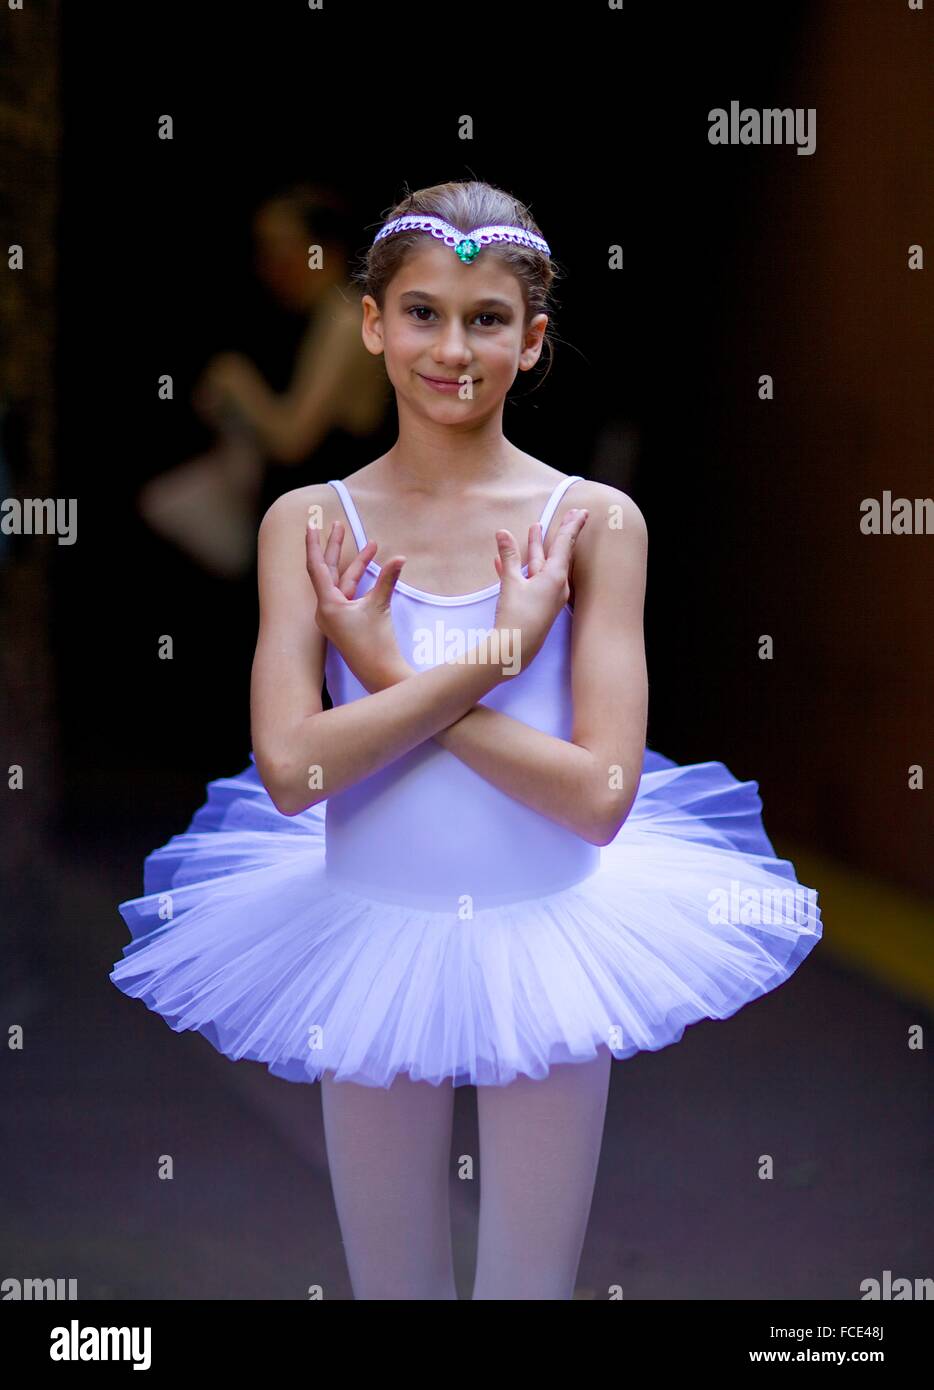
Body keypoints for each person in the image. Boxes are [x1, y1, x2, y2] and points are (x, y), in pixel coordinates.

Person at [110, 180, 822, 1300]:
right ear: (370, 325)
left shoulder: (591, 525)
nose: (452, 347)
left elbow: (596, 796)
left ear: (532, 340)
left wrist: (393, 671)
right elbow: (294, 771)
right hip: (365, 931)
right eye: (422, 313)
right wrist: (491, 654)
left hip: (550, 939)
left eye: (487, 318)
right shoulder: (308, 524)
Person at [137, 184, 392, 578]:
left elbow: (293, 439)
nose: (270, 265)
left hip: (337, 535)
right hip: (301, 527)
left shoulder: (344, 320)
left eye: (282, 248)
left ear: (323, 249)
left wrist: (240, 386)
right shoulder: (304, 320)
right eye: (264, 251)